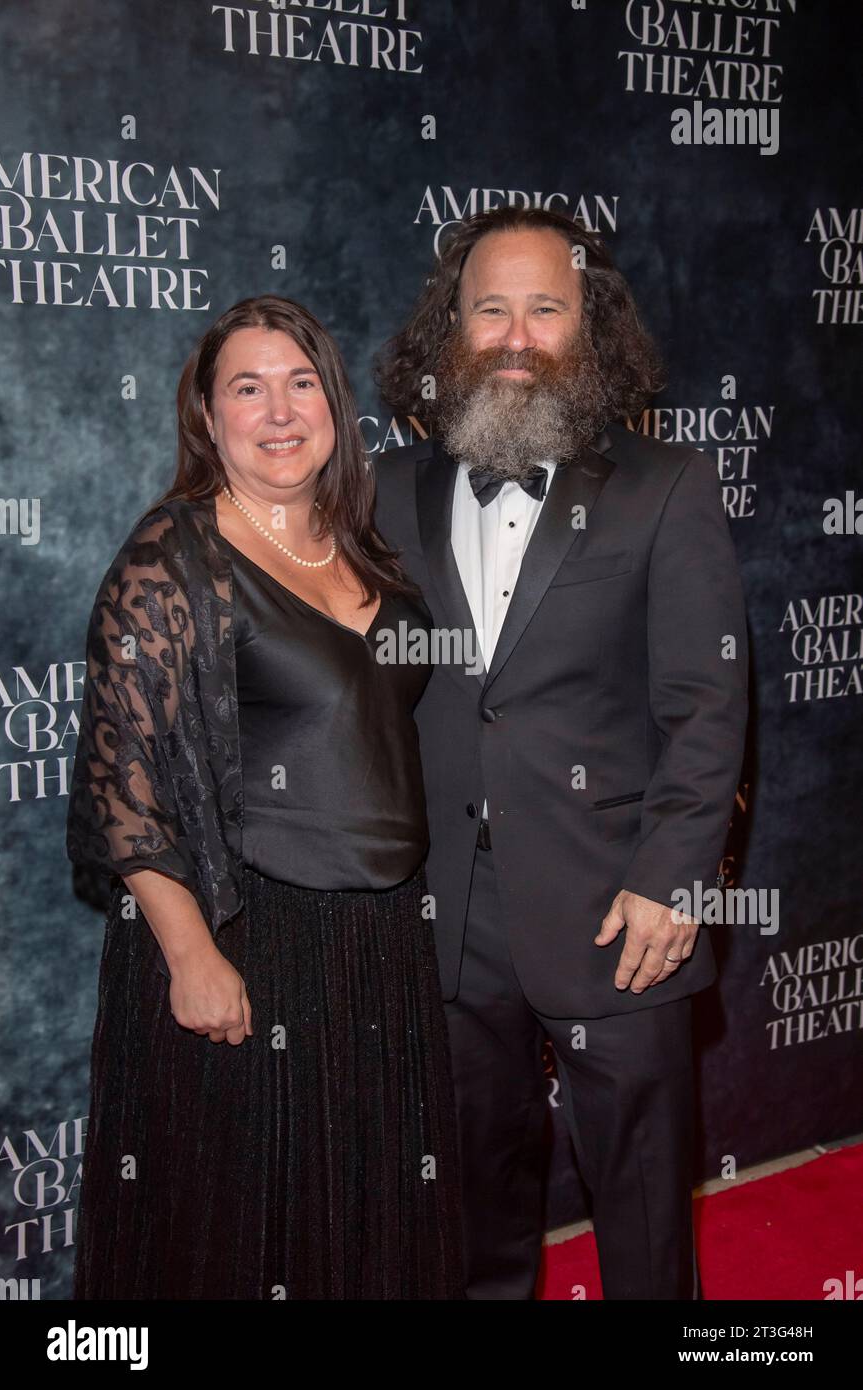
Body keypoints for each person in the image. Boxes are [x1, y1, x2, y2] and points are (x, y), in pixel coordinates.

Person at [372, 206, 749, 1300]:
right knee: (468, 1214)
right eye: (490, 307)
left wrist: (672, 879)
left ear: (590, 328)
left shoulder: (662, 485)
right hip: (440, 922)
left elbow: (705, 702)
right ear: (453, 328)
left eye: (546, 306)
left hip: (615, 913)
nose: (516, 334)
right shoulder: (389, 491)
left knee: (638, 1216)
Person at [66, 294, 464, 1300]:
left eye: (300, 383)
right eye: (248, 387)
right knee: (246, 1229)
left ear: (333, 406)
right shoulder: (174, 553)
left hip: (376, 945)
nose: (279, 410)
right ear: (207, 415)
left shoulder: (360, 543)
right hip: (250, 934)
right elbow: (125, 776)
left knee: (365, 1221)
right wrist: (191, 952)